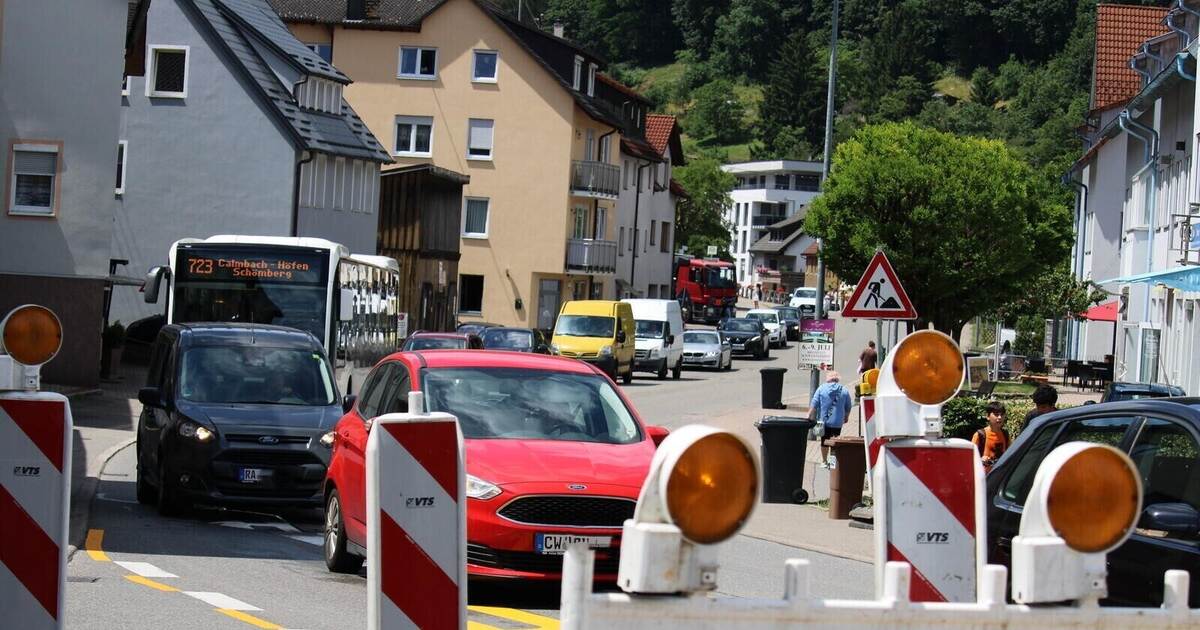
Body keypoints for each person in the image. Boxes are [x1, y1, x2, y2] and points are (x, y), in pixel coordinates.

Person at [809, 372, 853, 468]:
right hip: (837, 422)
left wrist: (809, 416)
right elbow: (848, 406)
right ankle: (833, 463)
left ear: (828, 379)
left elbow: (814, 404)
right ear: (837, 379)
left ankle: (824, 461)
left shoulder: (821, 389)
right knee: (834, 443)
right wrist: (846, 417)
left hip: (823, 422)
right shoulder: (844, 390)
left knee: (824, 441)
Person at [973, 401, 1011, 473]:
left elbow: (1010, 454)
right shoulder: (980, 435)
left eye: (1002, 414)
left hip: (1000, 475)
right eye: (996, 414)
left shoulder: (1005, 434)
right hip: (983, 476)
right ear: (987, 416)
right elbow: (970, 457)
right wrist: (980, 459)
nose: (999, 417)